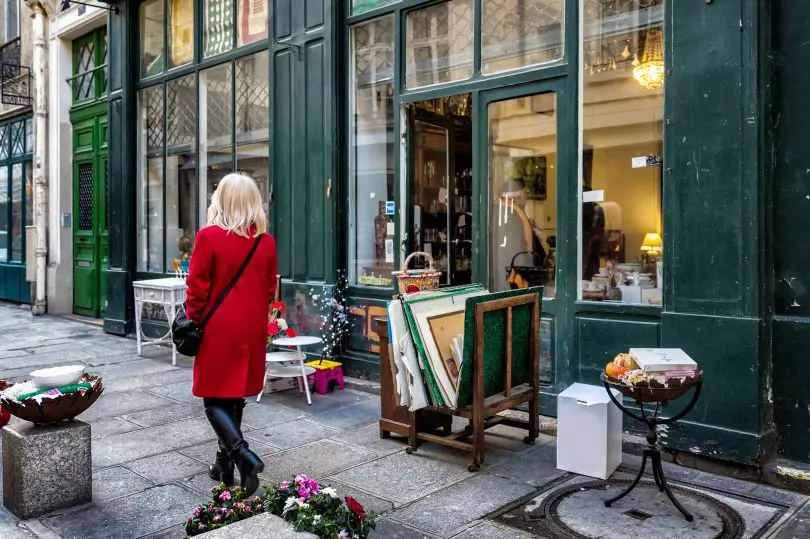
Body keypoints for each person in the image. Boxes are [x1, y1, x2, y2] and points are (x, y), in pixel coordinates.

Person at [185, 173, 278, 495]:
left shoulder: (208, 237)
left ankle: (243, 454)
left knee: (214, 400)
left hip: (218, 327)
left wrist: (193, 321)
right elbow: (269, 288)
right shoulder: (265, 241)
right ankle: (223, 464)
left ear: (221, 200)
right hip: (250, 327)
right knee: (234, 395)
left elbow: (197, 289)